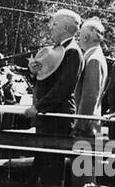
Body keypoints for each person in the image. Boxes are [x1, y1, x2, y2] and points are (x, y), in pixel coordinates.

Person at [27, 8, 83, 136]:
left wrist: (38, 107)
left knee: (50, 155)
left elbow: (63, 87)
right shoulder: (57, 49)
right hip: (47, 116)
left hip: (57, 118)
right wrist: (34, 72)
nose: (51, 27)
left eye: (55, 24)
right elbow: (44, 81)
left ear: (65, 28)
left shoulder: (72, 51)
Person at [73, 16, 107, 140]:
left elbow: (90, 96)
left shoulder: (93, 59)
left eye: (80, 35)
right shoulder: (94, 56)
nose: (79, 38)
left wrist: (79, 125)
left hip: (87, 128)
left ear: (86, 37)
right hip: (90, 124)